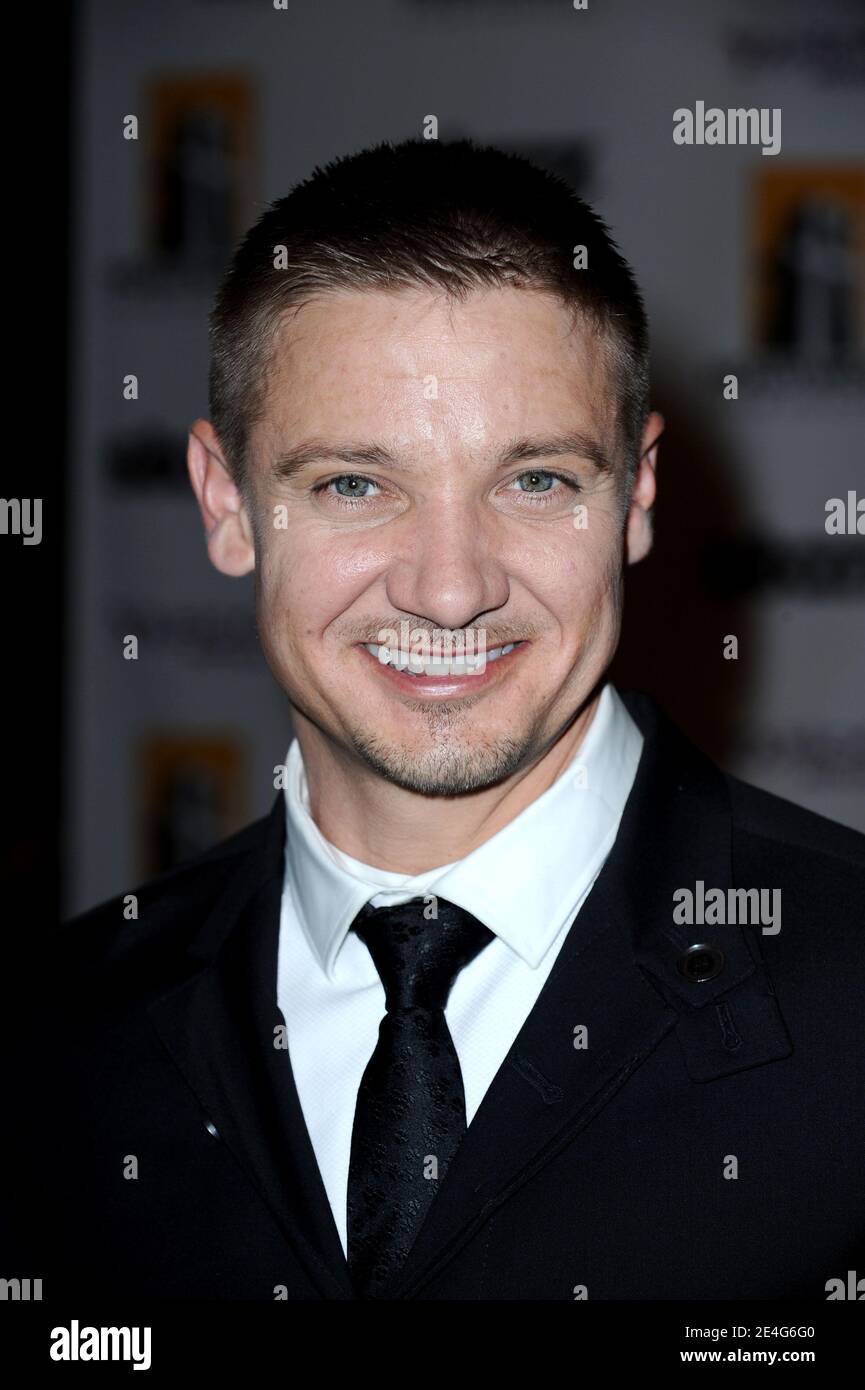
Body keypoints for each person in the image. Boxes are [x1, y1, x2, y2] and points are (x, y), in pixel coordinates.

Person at [46, 140, 865, 1300]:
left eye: (534, 480)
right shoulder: (64, 1037)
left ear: (632, 496)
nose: (448, 587)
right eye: (353, 484)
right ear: (227, 505)